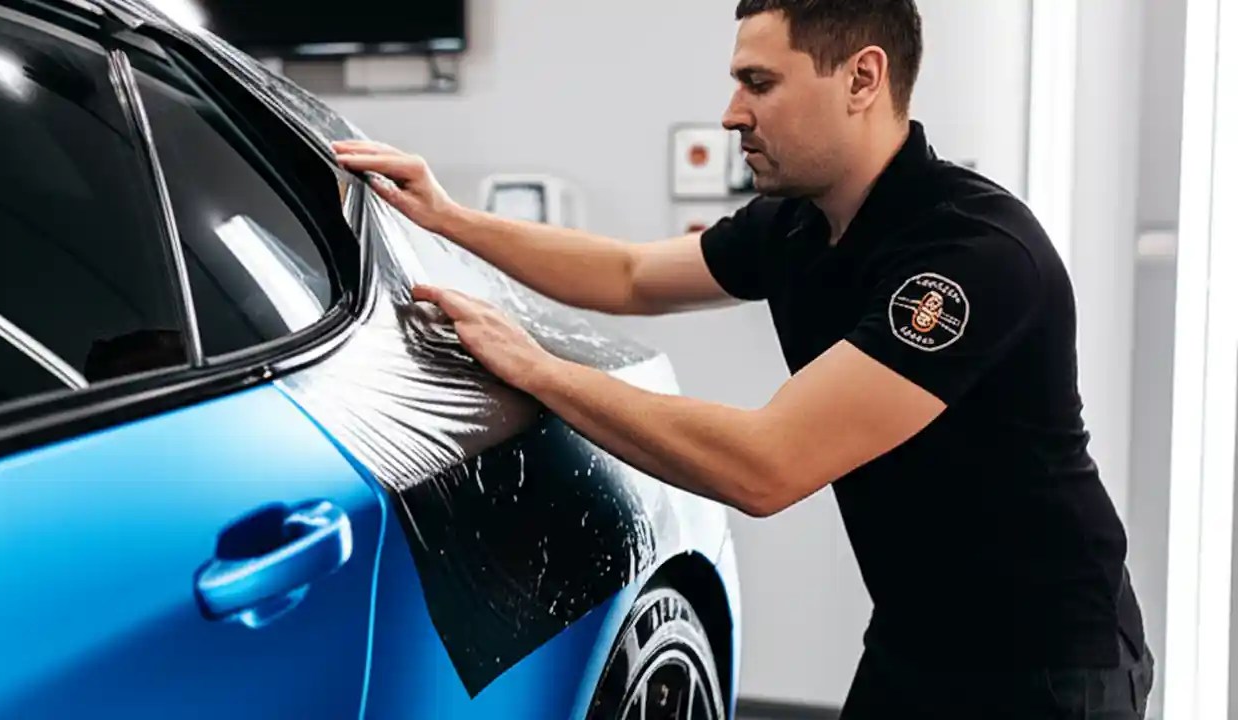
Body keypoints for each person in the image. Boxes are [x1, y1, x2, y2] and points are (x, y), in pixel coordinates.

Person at [333, 0, 1154, 716]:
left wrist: (536, 368)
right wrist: (448, 218)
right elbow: (628, 274)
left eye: (759, 83)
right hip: (916, 635)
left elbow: (766, 465)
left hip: (1046, 663)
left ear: (862, 79)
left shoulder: (971, 256)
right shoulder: (796, 226)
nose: (732, 113)